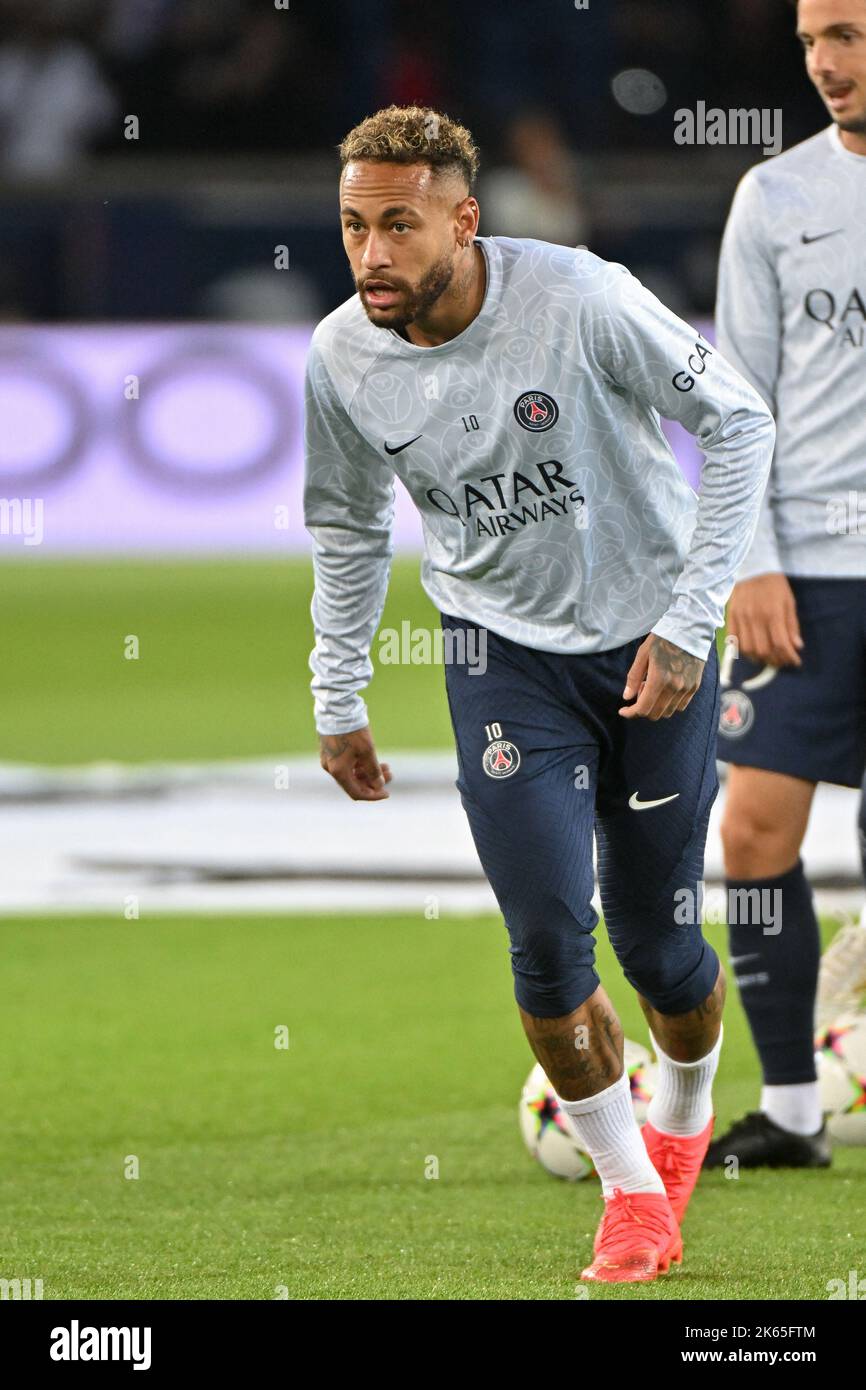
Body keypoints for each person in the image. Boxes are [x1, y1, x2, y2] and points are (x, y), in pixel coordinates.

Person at [303, 104, 775, 1282]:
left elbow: (738, 419)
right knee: (546, 940)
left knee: (661, 949)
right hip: (496, 654)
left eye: (399, 226)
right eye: (355, 226)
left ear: (465, 222)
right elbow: (349, 527)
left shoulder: (579, 297)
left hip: (648, 646)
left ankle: (679, 1115)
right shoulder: (340, 358)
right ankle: (627, 1196)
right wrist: (336, 690)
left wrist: (686, 618)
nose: (371, 254)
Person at [705, 0, 866, 1172]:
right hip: (802, 570)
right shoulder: (773, 196)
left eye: (848, 35)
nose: (822, 62)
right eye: (812, 37)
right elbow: (733, 396)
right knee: (753, 832)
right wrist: (746, 556)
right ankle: (795, 1111)